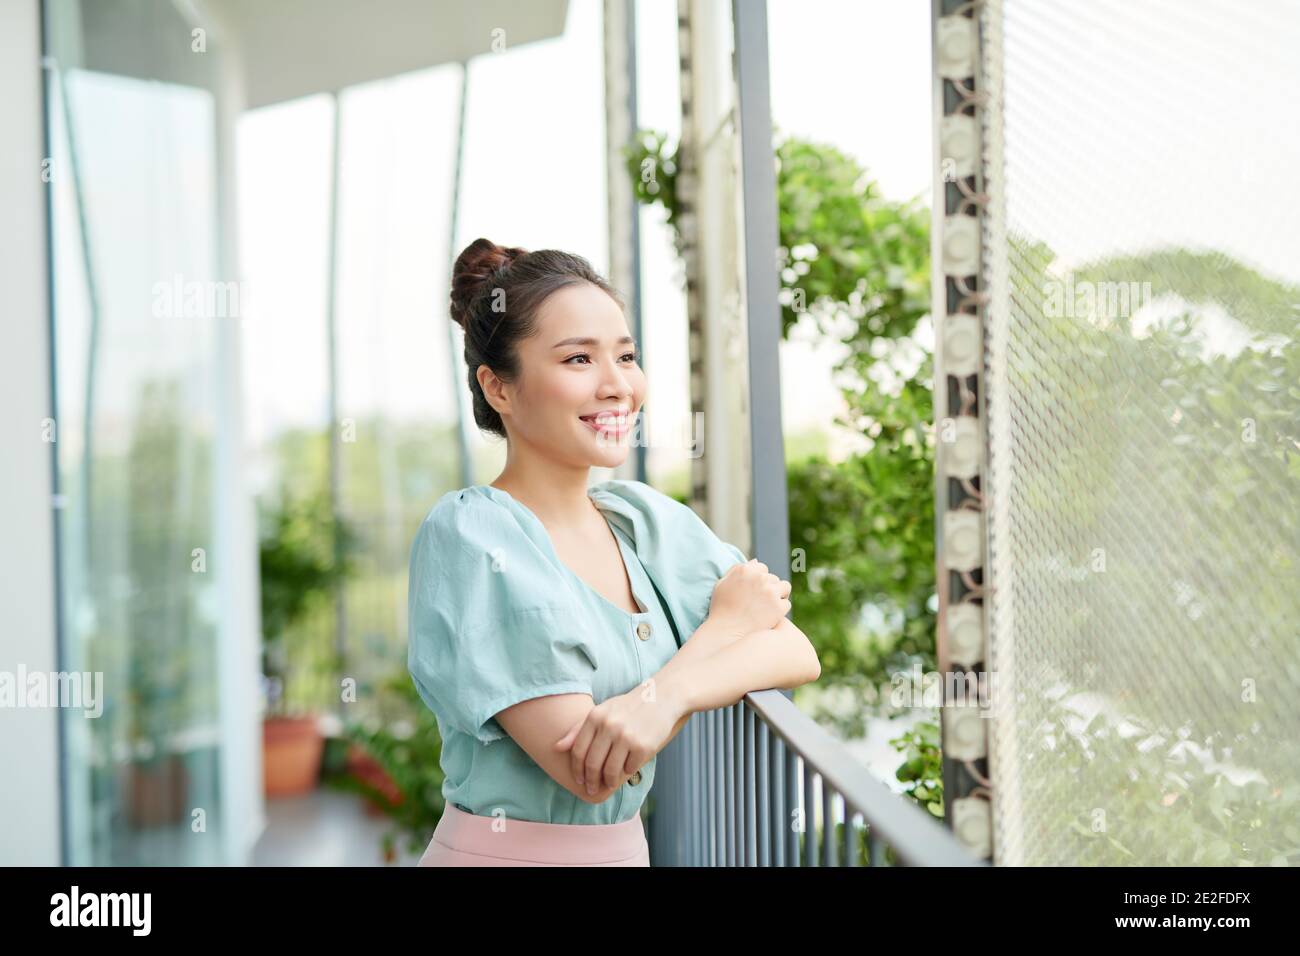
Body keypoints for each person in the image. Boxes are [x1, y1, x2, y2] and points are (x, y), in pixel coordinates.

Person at [409, 237, 821, 866]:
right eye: (578, 359)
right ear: (498, 388)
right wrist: (721, 634)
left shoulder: (642, 519)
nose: (616, 385)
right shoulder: (473, 536)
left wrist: (667, 698)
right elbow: (589, 771)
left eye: (626, 356)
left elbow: (794, 649)